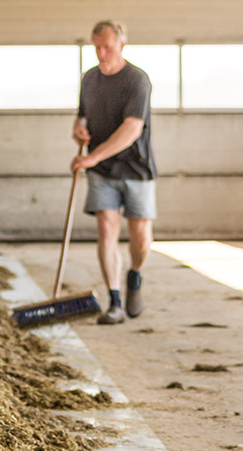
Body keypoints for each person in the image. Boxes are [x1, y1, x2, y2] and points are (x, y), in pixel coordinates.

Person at [71, 20, 157, 324]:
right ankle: (115, 302)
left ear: (121, 45)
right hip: (103, 172)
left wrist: (92, 157)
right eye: (97, 47)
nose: (101, 53)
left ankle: (135, 275)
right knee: (106, 229)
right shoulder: (89, 80)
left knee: (140, 238)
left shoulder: (137, 81)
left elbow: (131, 129)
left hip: (136, 169)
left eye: (107, 46)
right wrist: (79, 131)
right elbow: (81, 119)